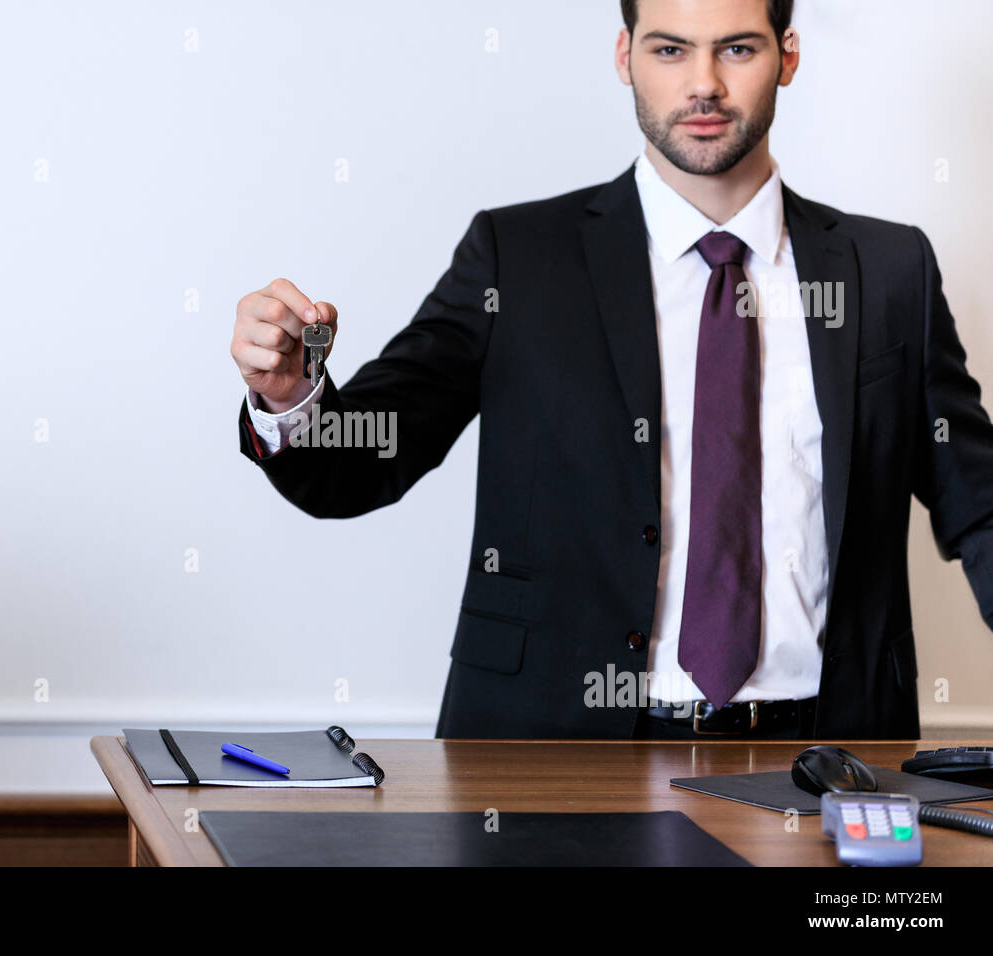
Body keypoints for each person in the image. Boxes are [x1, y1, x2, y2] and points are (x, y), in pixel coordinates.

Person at [228, 0, 993, 739]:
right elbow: (368, 462)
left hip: (825, 760)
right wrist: (292, 397)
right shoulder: (518, 259)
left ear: (787, 56)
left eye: (737, 47)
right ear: (625, 57)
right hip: (558, 757)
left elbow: (980, 508)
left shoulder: (889, 271)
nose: (704, 85)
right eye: (669, 49)